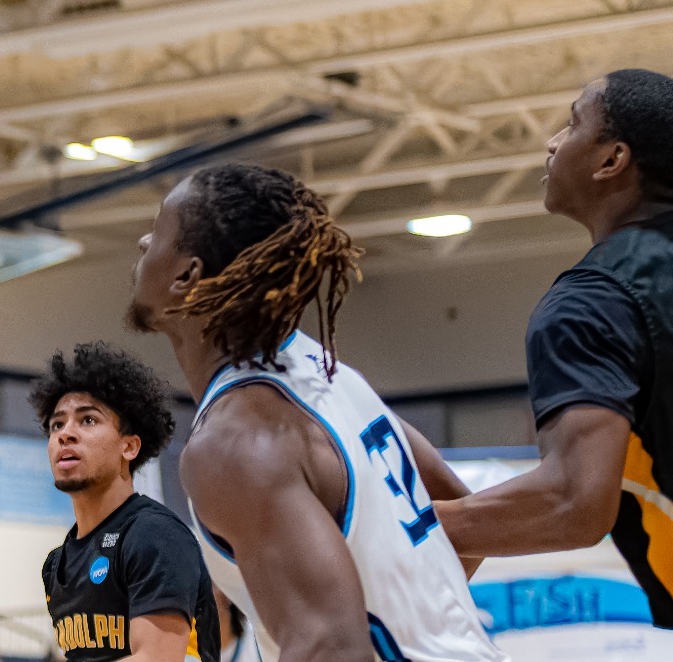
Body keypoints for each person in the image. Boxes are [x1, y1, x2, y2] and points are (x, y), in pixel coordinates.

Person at [127, 162, 499, 661]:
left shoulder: (233, 442)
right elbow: (461, 521)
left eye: (159, 231)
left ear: (186, 277)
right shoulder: (331, 377)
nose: (143, 242)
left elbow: (331, 645)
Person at [434, 69, 673, 625]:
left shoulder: (594, 301)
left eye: (571, 125)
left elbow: (572, 501)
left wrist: (396, 526)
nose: (552, 142)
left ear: (610, 160)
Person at [34, 342, 218, 662]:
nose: (65, 434)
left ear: (129, 447)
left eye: (88, 420)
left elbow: (156, 659)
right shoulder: (56, 565)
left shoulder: (154, 534)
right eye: (56, 425)